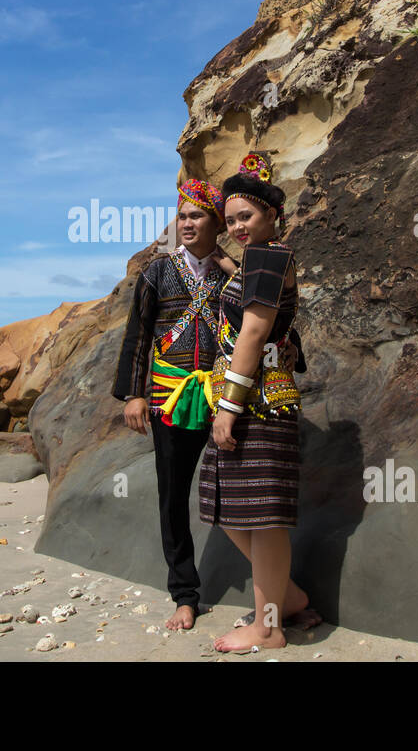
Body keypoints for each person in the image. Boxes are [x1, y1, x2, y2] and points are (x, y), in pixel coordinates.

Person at [200, 151, 314, 652]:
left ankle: (268, 629)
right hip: (253, 397)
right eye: (230, 220)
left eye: (246, 216)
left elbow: (254, 329)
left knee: (261, 519)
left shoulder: (269, 257)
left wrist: (229, 405)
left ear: (272, 214)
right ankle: (285, 598)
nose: (237, 226)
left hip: (257, 403)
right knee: (231, 508)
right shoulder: (261, 259)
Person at [113, 178, 232, 631]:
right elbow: (137, 336)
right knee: (172, 497)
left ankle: (266, 588)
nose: (186, 222)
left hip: (223, 399)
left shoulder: (228, 275)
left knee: (236, 489)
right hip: (169, 400)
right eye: (182, 215)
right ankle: (185, 594)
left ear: (215, 224)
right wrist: (134, 393)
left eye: (196, 215)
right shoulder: (156, 273)